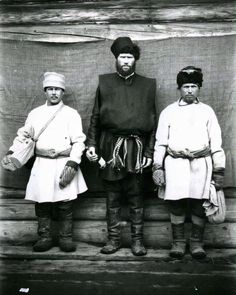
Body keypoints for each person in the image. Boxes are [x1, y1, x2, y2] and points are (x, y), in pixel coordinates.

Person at [86, 37, 156, 256]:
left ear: (135, 59)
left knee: (136, 197)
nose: (126, 60)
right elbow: (95, 117)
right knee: (113, 198)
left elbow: (154, 123)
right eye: (122, 57)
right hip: (110, 147)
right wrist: (91, 144)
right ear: (116, 59)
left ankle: (137, 241)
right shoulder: (105, 83)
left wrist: (149, 151)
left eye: (130, 57)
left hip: (136, 148)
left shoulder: (147, 85)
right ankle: (113, 240)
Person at [2, 72, 87, 252]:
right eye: (50, 89)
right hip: (42, 163)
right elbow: (23, 136)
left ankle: (65, 238)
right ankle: (45, 237)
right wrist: (12, 151)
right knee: (42, 203)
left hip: (64, 162)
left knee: (65, 203)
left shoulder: (71, 114)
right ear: (45, 91)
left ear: (63, 92)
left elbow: (79, 141)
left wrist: (73, 162)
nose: (54, 93)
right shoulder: (36, 113)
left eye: (57, 89)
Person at [152, 66, 225, 259]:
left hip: (201, 163)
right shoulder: (168, 111)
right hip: (175, 164)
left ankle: (196, 243)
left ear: (199, 88)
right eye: (186, 86)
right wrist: (157, 166)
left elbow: (216, 143)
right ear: (180, 88)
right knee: (176, 203)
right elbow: (160, 142)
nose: (190, 90)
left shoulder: (207, 111)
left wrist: (219, 170)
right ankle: (178, 243)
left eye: (193, 86)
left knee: (198, 204)